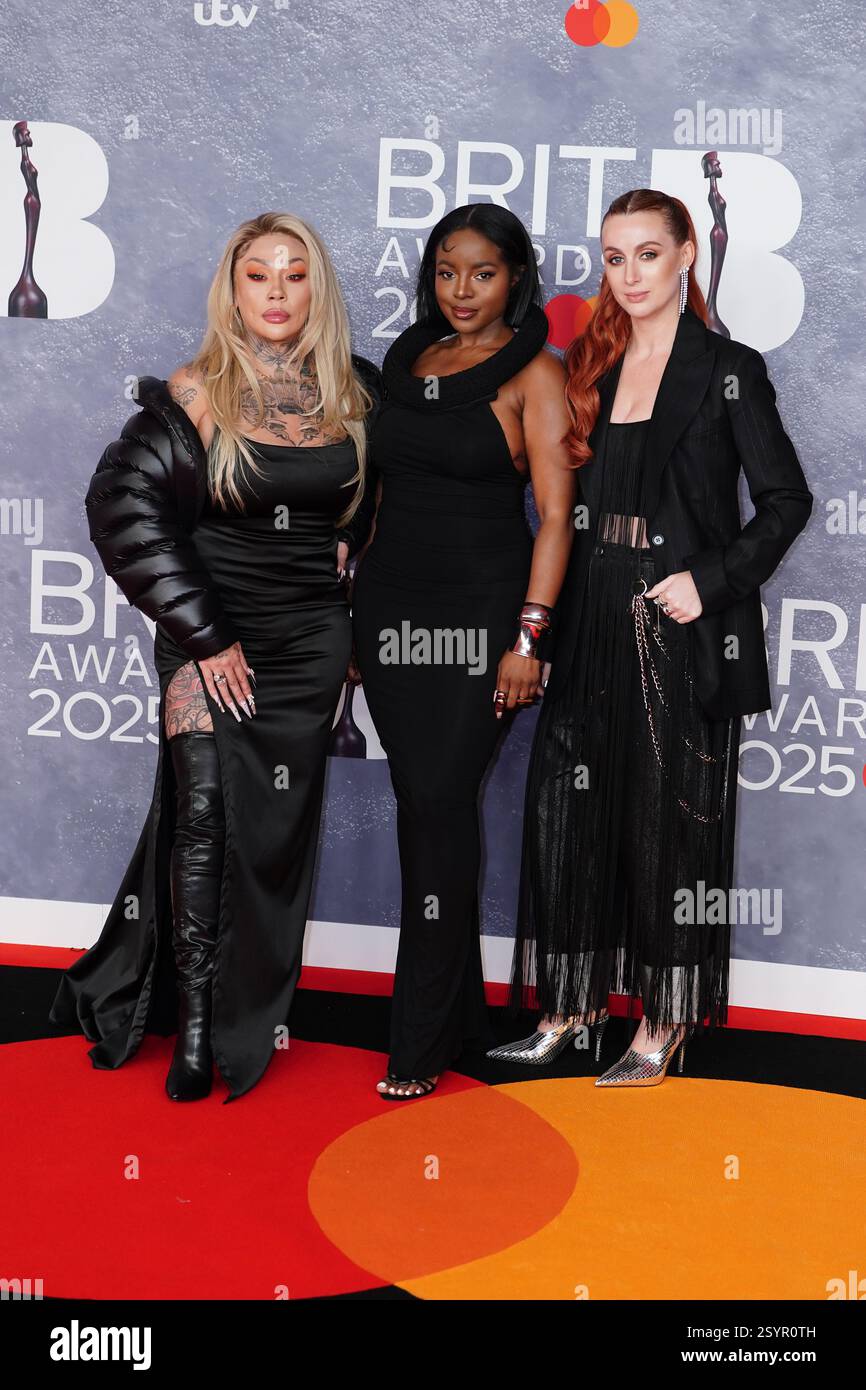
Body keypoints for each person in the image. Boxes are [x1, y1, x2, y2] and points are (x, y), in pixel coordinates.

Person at [49, 212, 381, 1102]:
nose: (275, 293)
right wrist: (205, 635)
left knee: (273, 830)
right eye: (257, 276)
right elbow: (121, 511)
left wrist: (353, 551)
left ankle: (251, 1008)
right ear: (231, 291)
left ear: (317, 289)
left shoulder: (355, 394)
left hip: (310, 641)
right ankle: (194, 1023)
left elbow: (375, 504)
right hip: (211, 640)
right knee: (202, 817)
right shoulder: (197, 393)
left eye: (294, 275)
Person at [490, 188, 812, 1086]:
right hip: (591, 608)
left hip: (676, 623)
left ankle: (663, 1023)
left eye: (646, 254)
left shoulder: (728, 368)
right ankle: (570, 1004)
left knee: (666, 822)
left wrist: (709, 582)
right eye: (613, 257)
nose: (628, 274)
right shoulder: (586, 363)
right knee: (567, 808)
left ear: (683, 259)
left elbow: (788, 502)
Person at [351, 203, 575, 1099]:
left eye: (482, 273)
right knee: (423, 804)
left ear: (516, 277)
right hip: (392, 611)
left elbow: (556, 517)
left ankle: (416, 1039)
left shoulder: (538, 374)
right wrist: (357, 619)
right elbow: (375, 499)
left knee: (440, 803)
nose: (462, 290)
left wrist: (530, 635)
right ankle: (459, 1017)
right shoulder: (408, 366)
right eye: (446, 271)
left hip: (484, 618)